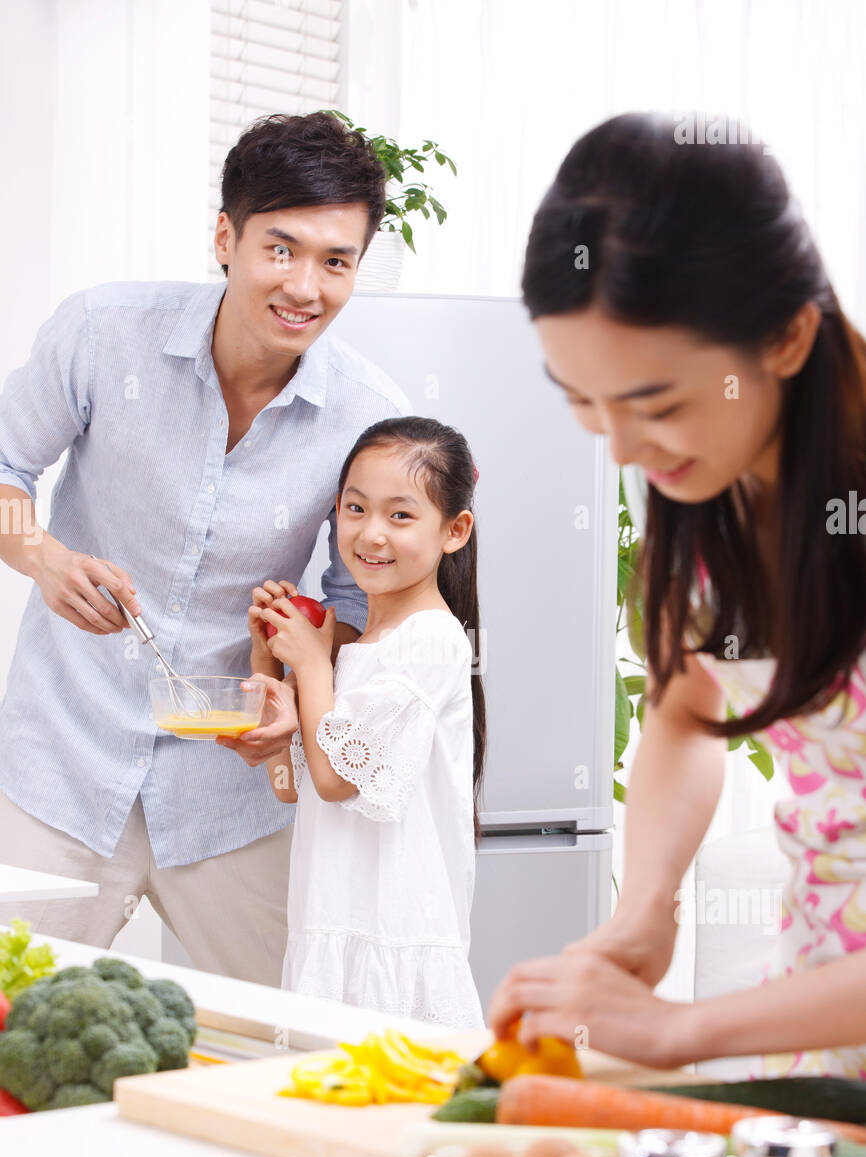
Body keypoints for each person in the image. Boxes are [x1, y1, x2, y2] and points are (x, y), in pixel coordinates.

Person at [489, 111, 866, 1079]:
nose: (617, 451)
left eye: (653, 404)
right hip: (822, 1038)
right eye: (582, 400)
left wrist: (676, 1029)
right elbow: (689, 700)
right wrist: (642, 905)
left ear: (784, 338)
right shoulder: (718, 487)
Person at [0, 111, 409, 985]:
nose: (305, 286)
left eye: (336, 262)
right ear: (226, 238)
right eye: (281, 248)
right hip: (61, 767)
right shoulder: (105, 334)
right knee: (11, 1032)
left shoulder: (369, 416)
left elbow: (356, 602)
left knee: (284, 1043)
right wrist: (40, 555)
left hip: (230, 796)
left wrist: (297, 694)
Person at [246, 417, 486, 1028]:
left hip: (394, 932)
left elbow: (339, 782)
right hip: (332, 921)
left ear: (454, 531)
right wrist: (270, 662)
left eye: (401, 516)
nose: (371, 533)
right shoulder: (356, 650)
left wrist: (310, 665)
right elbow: (293, 788)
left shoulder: (431, 640)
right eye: (355, 508)